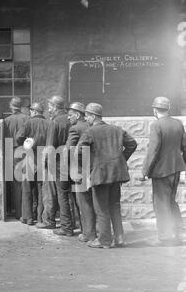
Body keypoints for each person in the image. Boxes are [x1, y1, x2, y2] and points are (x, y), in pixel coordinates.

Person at [78, 103, 137, 248]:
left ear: (93, 116)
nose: (86, 119)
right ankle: (120, 238)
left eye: (87, 116)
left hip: (100, 175)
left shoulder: (90, 132)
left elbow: (79, 152)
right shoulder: (117, 129)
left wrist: (89, 166)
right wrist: (120, 159)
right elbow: (132, 144)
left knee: (101, 208)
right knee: (115, 206)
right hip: (117, 174)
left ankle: (104, 241)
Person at [142, 96, 186, 244]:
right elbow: (184, 147)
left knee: (161, 203)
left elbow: (153, 151)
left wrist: (144, 172)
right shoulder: (178, 123)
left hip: (161, 171)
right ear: (168, 109)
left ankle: (165, 236)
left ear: (155, 110)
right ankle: (177, 230)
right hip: (176, 169)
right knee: (171, 201)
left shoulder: (156, 125)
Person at [37, 95, 72, 236]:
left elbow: (50, 146)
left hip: (56, 162)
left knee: (53, 193)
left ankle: (55, 223)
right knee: (69, 195)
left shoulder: (55, 122)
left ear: (55, 107)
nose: (49, 109)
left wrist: (45, 163)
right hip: (72, 162)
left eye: (50, 106)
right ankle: (70, 223)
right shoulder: (71, 120)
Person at [66, 102, 97, 243]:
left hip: (80, 171)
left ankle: (88, 234)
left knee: (84, 203)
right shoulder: (92, 125)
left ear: (78, 115)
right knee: (92, 203)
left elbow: (68, 150)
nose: (68, 118)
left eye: (71, 115)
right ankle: (92, 231)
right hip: (94, 170)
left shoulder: (75, 129)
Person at [16, 102, 49, 225]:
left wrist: (26, 142)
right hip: (44, 159)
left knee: (27, 189)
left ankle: (28, 217)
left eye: (31, 111)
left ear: (34, 111)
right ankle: (40, 218)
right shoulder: (49, 123)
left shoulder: (28, 122)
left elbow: (18, 137)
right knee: (41, 190)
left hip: (30, 158)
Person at [4, 97, 29, 219]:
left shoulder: (6, 120)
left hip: (12, 152)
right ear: (21, 106)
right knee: (26, 183)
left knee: (14, 184)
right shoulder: (27, 119)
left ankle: (16, 211)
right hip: (25, 151)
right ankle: (26, 213)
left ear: (10, 105)